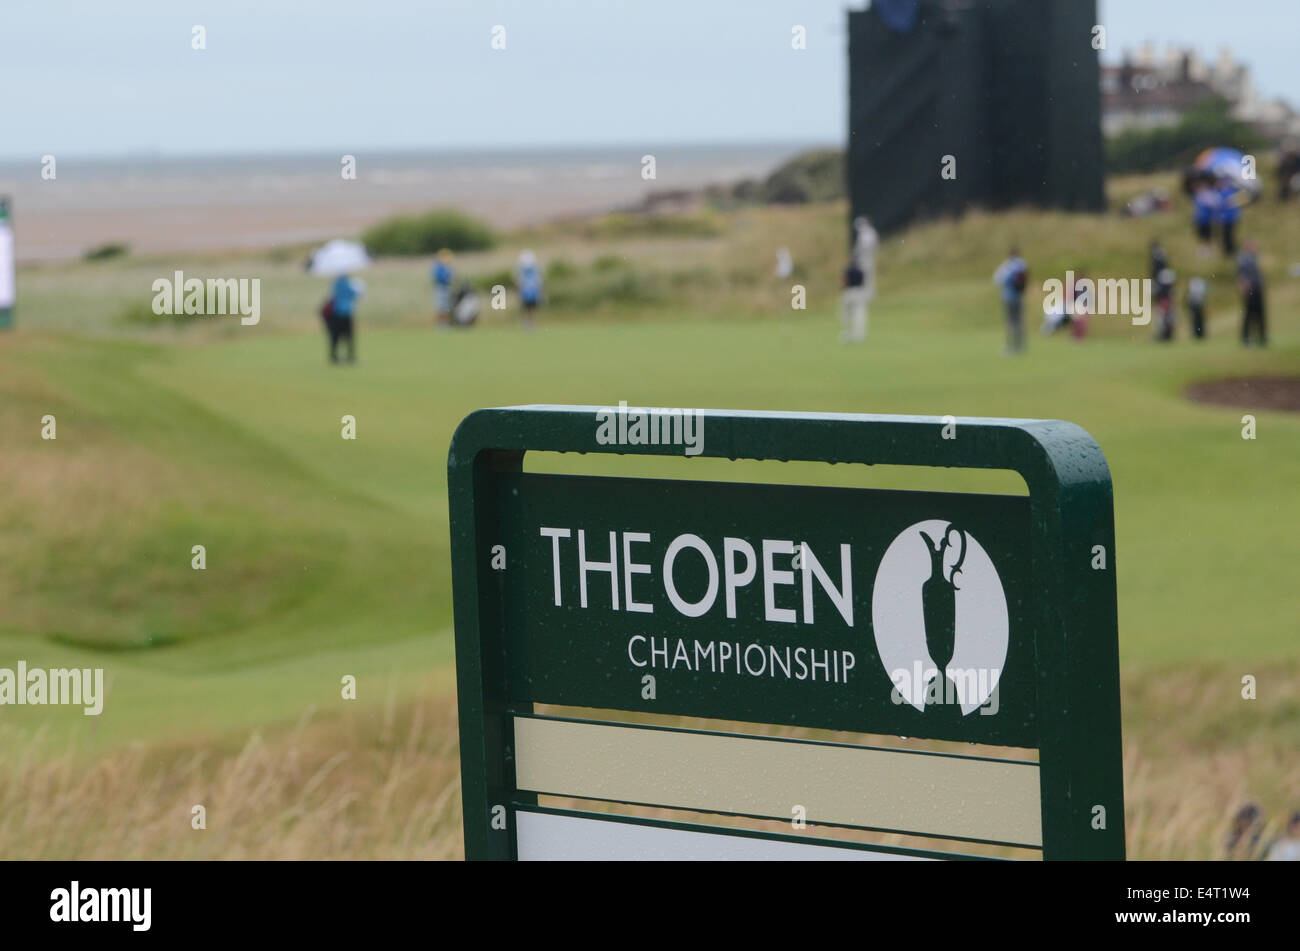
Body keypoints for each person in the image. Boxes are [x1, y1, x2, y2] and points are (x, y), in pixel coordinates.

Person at [992, 247, 1028, 353]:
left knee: (1011, 322)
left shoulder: (1007, 266)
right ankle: (1021, 346)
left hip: (1009, 297)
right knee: (1020, 321)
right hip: (1019, 296)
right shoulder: (1022, 264)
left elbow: (997, 279)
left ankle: (1011, 346)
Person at [1237, 239, 1267, 346]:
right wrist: (1244, 287)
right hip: (1250, 290)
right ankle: (1246, 339)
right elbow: (1241, 275)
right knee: (1249, 315)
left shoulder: (1254, 258)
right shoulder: (1244, 259)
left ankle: (1262, 337)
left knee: (1260, 314)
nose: (1255, 248)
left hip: (1257, 289)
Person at [328, 272, 363, 364]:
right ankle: (350, 357)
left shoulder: (335, 284)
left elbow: (333, 296)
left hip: (336, 313)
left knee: (335, 336)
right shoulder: (349, 285)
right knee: (349, 336)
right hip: (347, 313)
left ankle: (334, 356)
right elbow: (355, 296)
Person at [841, 258, 868, 343]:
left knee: (847, 314)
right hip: (859, 292)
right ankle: (859, 334)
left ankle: (848, 332)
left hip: (849, 292)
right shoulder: (861, 271)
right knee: (859, 314)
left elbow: (844, 281)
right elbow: (863, 283)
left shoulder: (847, 271)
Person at [1191, 177, 1218, 258]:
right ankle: (1201, 252)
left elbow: (1213, 205)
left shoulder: (1209, 195)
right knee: (1200, 236)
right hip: (1200, 219)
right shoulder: (1197, 196)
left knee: (1208, 237)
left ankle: (1208, 252)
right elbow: (1195, 209)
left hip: (1207, 219)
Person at [517, 250, 543, 331]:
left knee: (530, 311)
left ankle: (530, 326)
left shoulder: (534, 272)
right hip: (526, 294)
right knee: (527, 311)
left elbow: (539, 283)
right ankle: (528, 326)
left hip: (532, 294)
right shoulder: (524, 272)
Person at [1216, 177, 1241, 257]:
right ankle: (1227, 252)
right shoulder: (1220, 193)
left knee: (1230, 235)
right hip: (1224, 218)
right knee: (1225, 236)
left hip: (1231, 217)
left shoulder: (1231, 191)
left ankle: (1231, 251)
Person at [431, 249, 454, 327]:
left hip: (447, 288)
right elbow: (438, 278)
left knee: (447, 307)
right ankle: (440, 324)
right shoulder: (439, 268)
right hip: (440, 288)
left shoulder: (448, 268)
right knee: (441, 307)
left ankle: (445, 324)